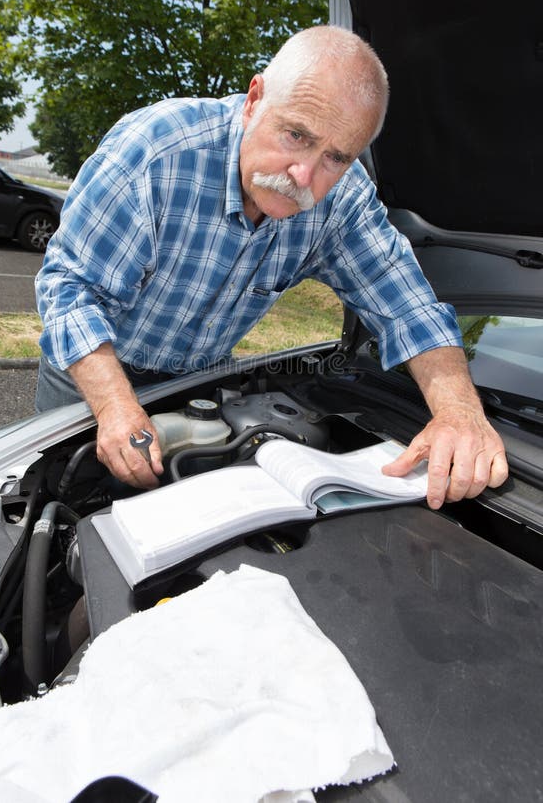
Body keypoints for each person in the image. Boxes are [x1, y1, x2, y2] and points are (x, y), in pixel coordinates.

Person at [35, 25, 508, 508]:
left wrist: (459, 412)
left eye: (336, 157)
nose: (303, 175)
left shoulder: (343, 200)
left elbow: (408, 307)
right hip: (97, 367)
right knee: (64, 501)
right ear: (254, 99)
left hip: (199, 378)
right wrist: (115, 406)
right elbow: (70, 287)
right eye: (296, 134)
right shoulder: (155, 152)